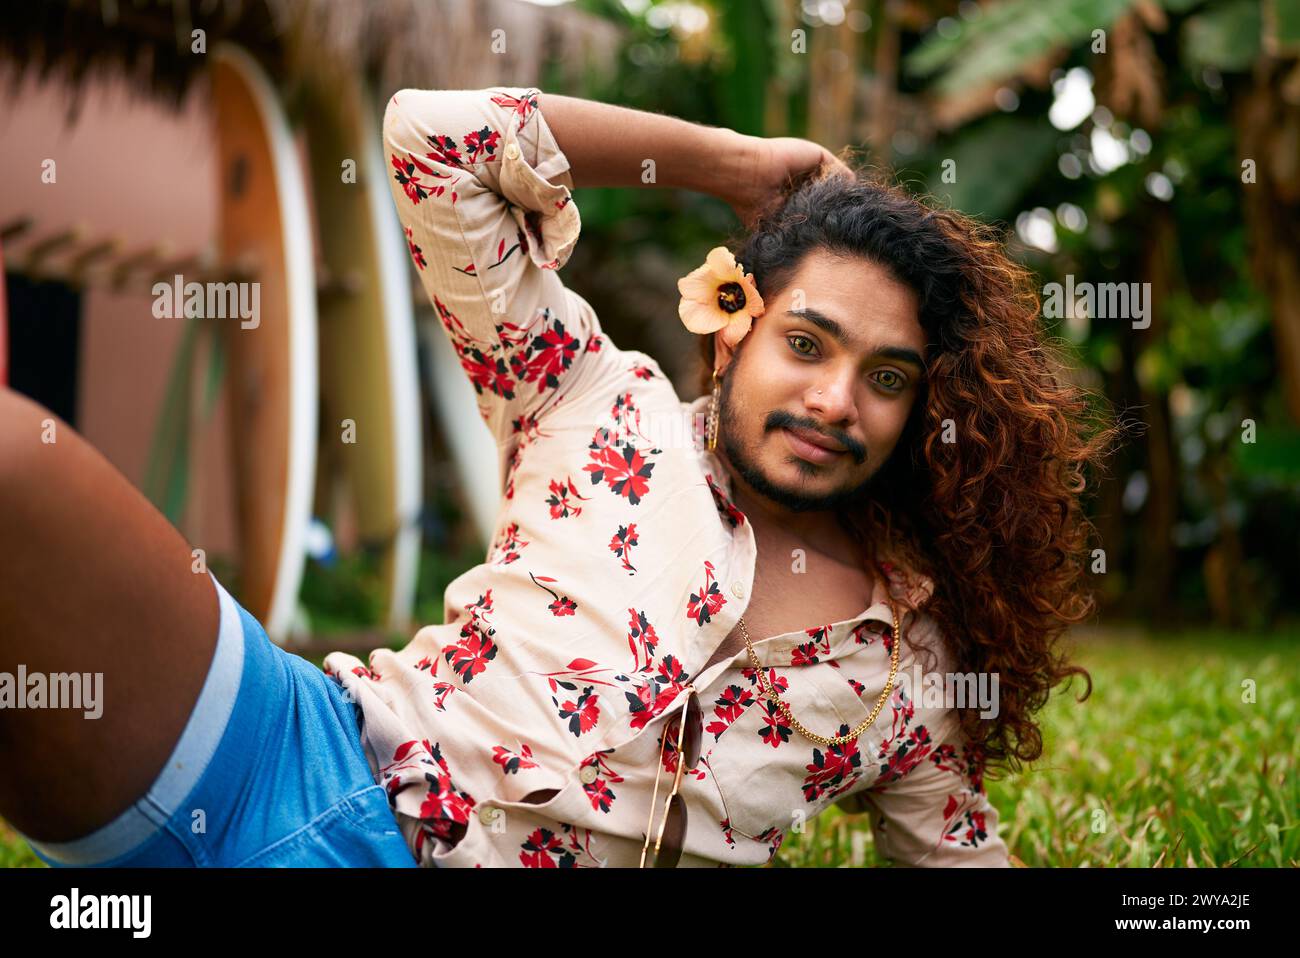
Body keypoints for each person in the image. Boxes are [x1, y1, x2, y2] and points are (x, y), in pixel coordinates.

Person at [0, 85, 1105, 867]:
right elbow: (434, 137)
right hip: (289, 760)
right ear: (734, 331)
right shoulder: (584, 392)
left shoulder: (903, 661)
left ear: (920, 409)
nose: (832, 400)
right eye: (806, 344)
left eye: (887, 376)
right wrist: (731, 163)